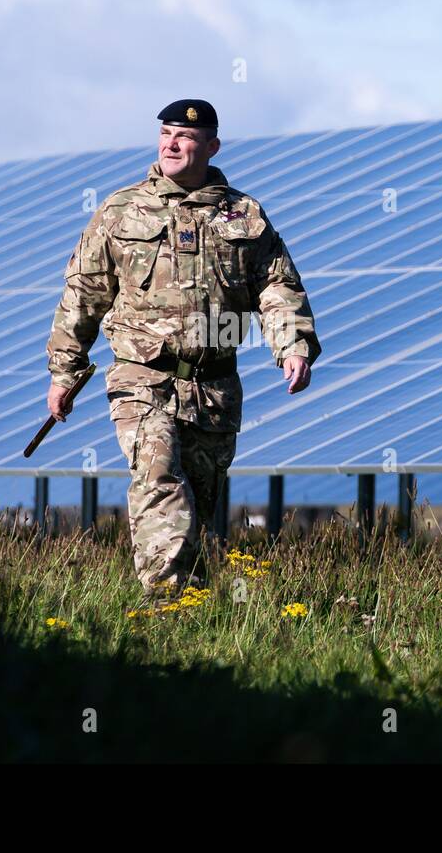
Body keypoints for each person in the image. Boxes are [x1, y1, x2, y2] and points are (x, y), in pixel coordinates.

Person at [45, 99, 321, 599]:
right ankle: (166, 603)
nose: (171, 144)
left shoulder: (245, 215)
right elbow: (83, 295)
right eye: (165, 134)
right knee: (159, 480)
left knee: (197, 505)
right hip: (141, 378)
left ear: (211, 146)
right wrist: (65, 372)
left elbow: (277, 287)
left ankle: (188, 620)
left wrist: (292, 346)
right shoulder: (120, 211)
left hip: (213, 387)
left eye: (185, 137)